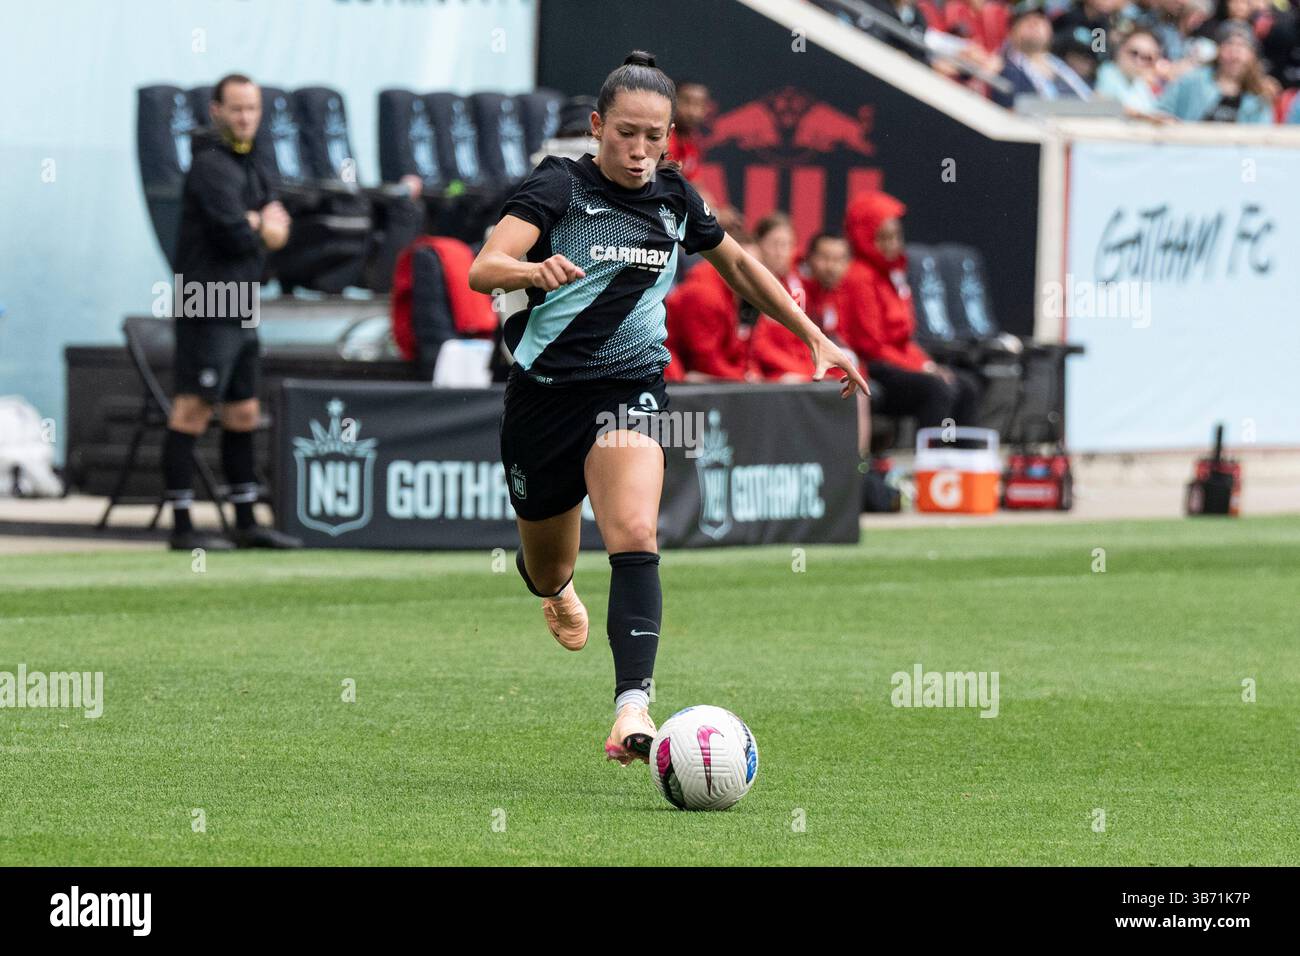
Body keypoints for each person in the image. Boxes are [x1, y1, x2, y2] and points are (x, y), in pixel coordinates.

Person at [467, 51, 867, 766]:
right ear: (597, 126)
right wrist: (532, 268)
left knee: (634, 530)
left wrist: (816, 337)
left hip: (631, 388)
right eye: (628, 133)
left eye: (658, 136)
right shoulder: (559, 186)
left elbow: (742, 266)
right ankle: (555, 590)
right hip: (544, 399)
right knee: (545, 564)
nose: (644, 151)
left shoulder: (677, 198)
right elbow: (483, 267)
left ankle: (632, 709)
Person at [165, 73, 301, 551]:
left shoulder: (258, 164)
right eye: (237, 109)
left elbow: (279, 230)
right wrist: (257, 225)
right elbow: (235, 235)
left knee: (243, 410)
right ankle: (181, 527)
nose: (245, 118)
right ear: (216, 111)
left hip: (243, 301)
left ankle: (245, 521)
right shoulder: (208, 166)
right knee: (193, 409)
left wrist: (261, 224)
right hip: (205, 298)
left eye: (253, 109)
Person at [840, 189, 982, 430]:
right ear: (864, 236)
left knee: (966, 386)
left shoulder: (895, 275)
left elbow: (904, 339)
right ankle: (930, 464)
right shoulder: (859, 277)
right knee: (936, 388)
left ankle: (962, 464)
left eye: (896, 236)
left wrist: (927, 365)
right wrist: (923, 370)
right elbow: (872, 347)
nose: (892, 245)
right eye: (883, 237)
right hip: (872, 367)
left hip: (897, 362)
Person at [1157, 21, 1275, 120]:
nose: (1235, 53)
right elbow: (1161, 111)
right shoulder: (1191, 81)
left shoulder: (1259, 99)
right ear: (1218, 50)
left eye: (1242, 47)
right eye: (1229, 44)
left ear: (1251, 55)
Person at [994, 1, 1094, 108]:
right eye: (1025, 20)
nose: (1034, 24)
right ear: (1012, 32)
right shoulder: (1008, 70)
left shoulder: (1060, 66)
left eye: (1040, 19)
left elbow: (1090, 98)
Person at [1094, 28, 1167, 116]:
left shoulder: (1143, 84)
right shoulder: (1108, 72)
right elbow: (1103, 106)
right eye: (1134, 53)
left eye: (1147, 58)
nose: (1138, 61)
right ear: (1120, 50)